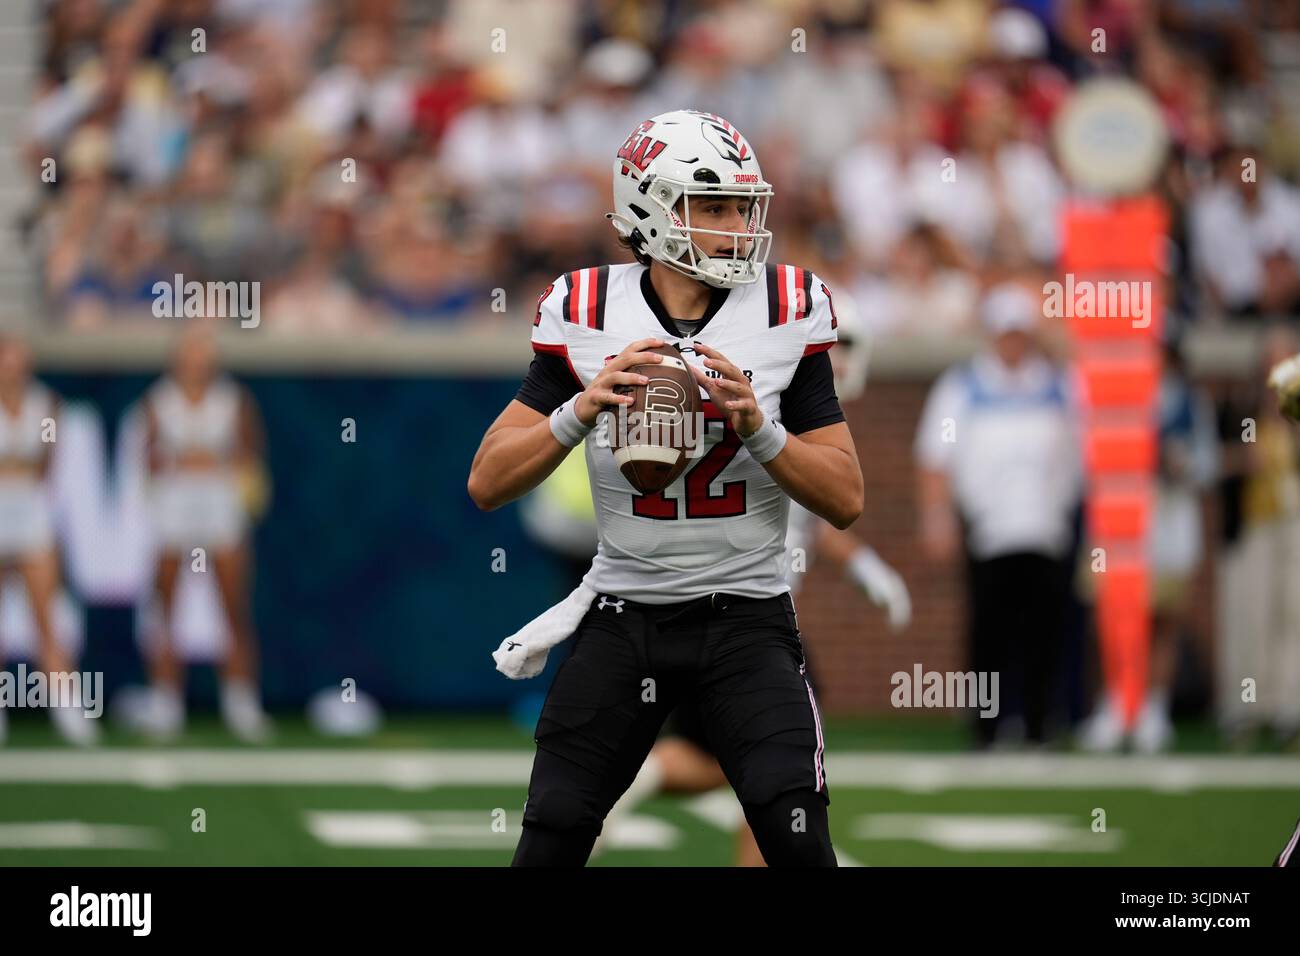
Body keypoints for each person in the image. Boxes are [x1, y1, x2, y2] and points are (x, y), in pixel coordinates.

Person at [469, 109, 864, 867]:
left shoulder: (788, 309)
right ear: (651, 208)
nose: (738, 223)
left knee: (797, 838)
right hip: (626, 617)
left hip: (748, 619)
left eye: (744, 205)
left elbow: (845, 498)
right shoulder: (586, 310)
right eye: (714, 205)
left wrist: (760, 428)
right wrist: (579, 411)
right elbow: (487, 480)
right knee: (549, 837)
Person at [591, 296, 910, 866]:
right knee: (777, 758)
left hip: (713, 604)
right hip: (744, 610)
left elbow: (816, 517)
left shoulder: (763, 402)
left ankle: (630, 786)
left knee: (748, 759)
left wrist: (863, 565)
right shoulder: (770, 408)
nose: (843, 362)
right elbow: (827, 500)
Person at [915, 283, 1083, 747]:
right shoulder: (963, 386)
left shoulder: (1058, 384)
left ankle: (1037, 725)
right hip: (988, 532)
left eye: (1020, 332)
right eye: (1005, 332)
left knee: (1045, 630)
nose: (1013, 342)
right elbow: (935, 457)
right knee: (988, 631)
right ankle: (986, 728)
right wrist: (937, 516)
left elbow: (1084, 448)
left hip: (1047, 529)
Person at [133, 323, 272, 743]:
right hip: (175, 510)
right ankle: (165, 701)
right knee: (166, 609)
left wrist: (231, 484)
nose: (198, 361)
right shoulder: (157, 402)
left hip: (221, 510)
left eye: (204, 353)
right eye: (191, 353)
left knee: (232, 606)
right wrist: (182, 469)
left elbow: (251, 458)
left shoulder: (235, 401)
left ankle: (240, 701)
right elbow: (147, 461)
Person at [0, 333, 99, 746]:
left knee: (47, 617)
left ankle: (66, 706)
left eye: (18, 357)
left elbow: (43, 464)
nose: (13, 365)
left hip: (32, 519)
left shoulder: (46, 405)